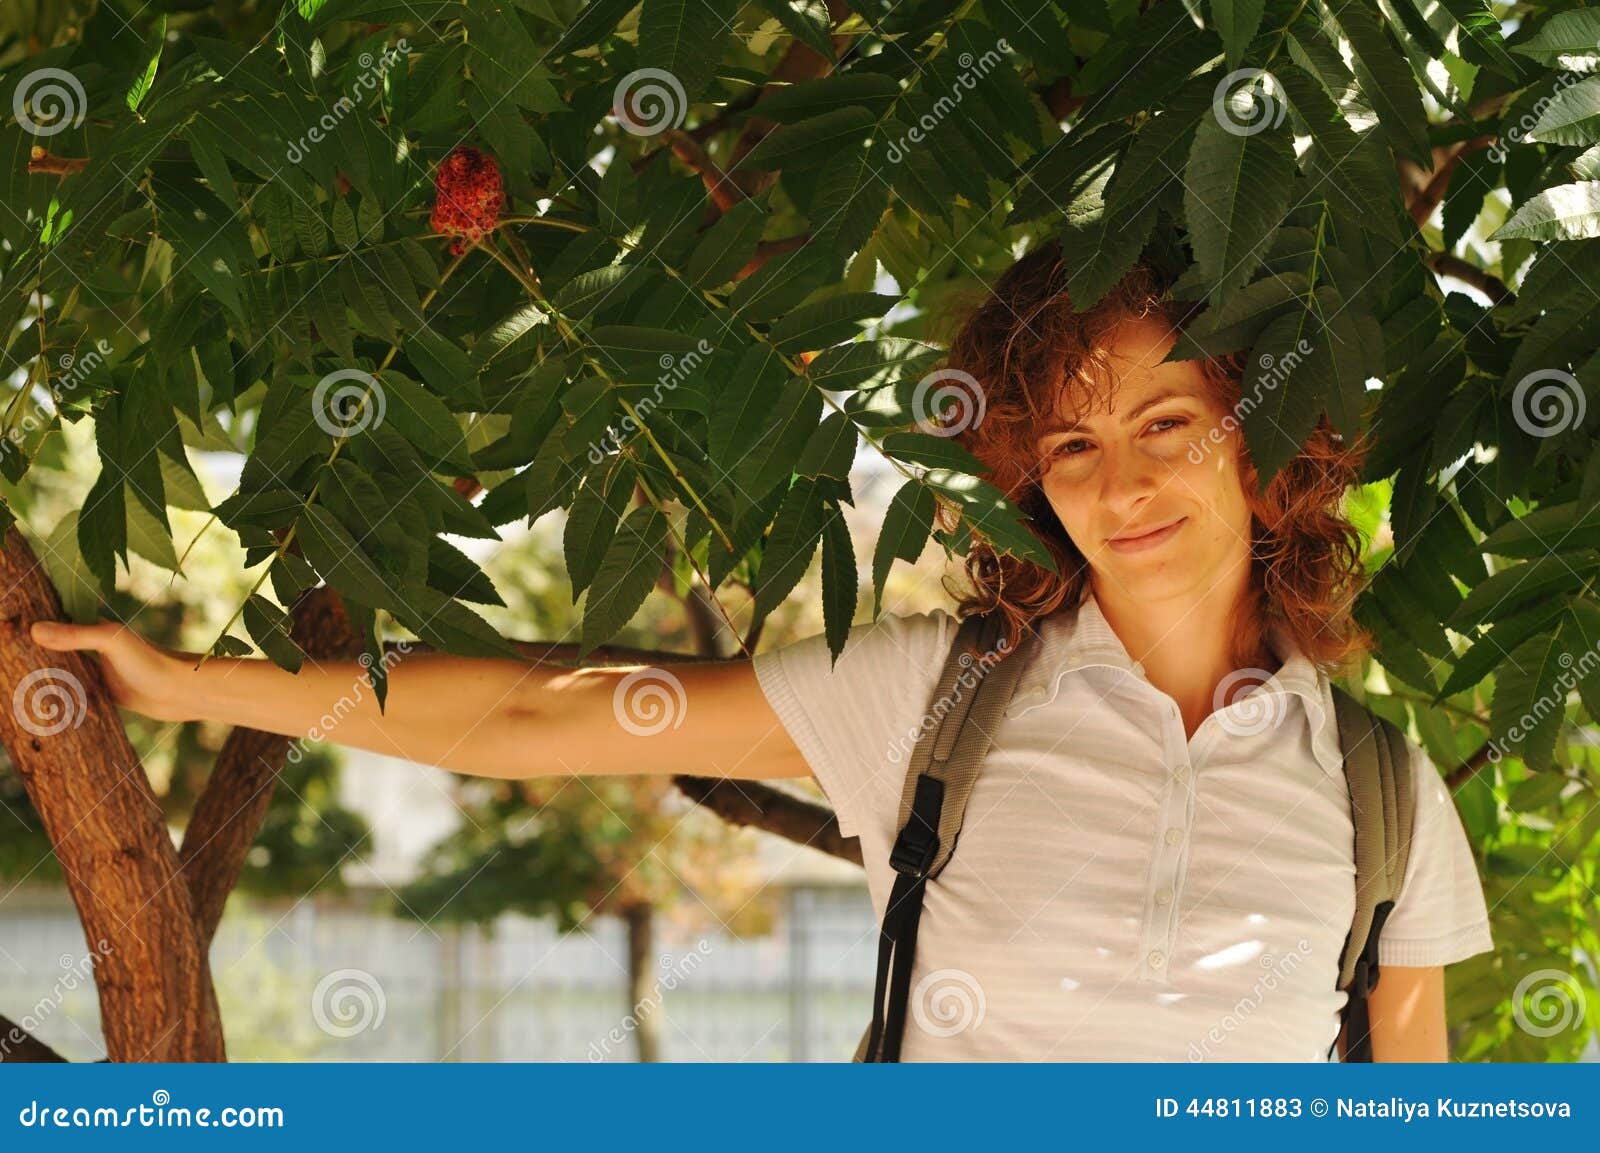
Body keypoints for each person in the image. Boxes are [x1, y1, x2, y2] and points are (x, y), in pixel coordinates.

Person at [30, 242, 1493, 1062]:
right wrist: (190, 682)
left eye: (1166, 425)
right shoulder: (944, 697)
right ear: (1027, 479)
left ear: (1262, 438)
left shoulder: (1385, 795)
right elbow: (548, 715)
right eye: (1070, 443)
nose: (1120, 485)